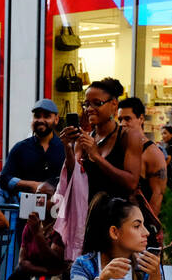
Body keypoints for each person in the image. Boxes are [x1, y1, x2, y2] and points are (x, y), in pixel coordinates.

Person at [61, 79, 166, 226]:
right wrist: (68, 147)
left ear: (114, 104)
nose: (89, 109)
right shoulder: (84, 140)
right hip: (89, 221)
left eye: (97, 103)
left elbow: (131, 183)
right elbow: (74, 180)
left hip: (119, 223)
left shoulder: (129, 137)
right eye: (86, 104)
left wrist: (96, 157)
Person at [0, 99, 65, 204]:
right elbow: (4, 179)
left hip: (56, 210)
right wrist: (33, 185)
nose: (41, 120)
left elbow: (72, 179)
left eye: (46, 116)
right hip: (25, 210)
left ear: (56, 120)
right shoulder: (20, 148)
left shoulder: (65, 148)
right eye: (37, 116)